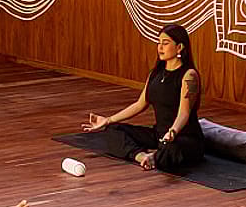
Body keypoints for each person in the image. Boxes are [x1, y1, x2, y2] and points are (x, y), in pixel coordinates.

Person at [81, 24, 203, 172]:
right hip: (158, 134)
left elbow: (184, 112)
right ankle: (141, 156)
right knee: (112, 130)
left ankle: (156, 156)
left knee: (171, 149)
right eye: (159, 43)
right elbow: (139, 104)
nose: (160, 47)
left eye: (165, 43)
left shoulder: (189, 75)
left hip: (183, 137)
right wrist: (108, 120)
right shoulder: (155, 73)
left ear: (179, 47)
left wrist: (173, 132)